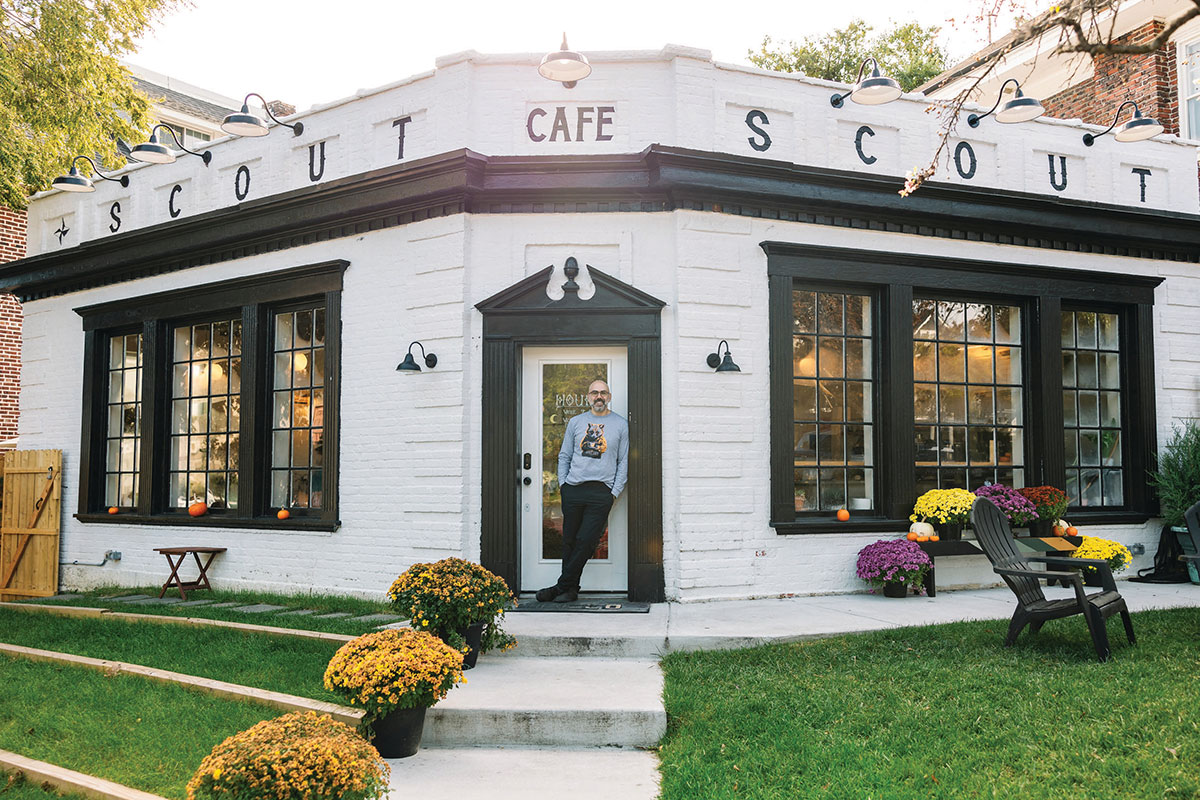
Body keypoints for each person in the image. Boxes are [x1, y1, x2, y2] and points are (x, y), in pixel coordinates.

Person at [536, 378, 629, 603]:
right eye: (594, 392)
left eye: (603, 393)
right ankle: (570, 590)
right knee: (569, 541)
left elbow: (624, 461)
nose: (599, 396)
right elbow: (565, 455)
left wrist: (613, 492)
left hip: (601, 493)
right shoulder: (576, 423)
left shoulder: (620, 424)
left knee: (586, 541)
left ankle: (560, 586)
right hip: (574, 489)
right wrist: (564, 485)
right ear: (588, 397)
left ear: (609, 397)